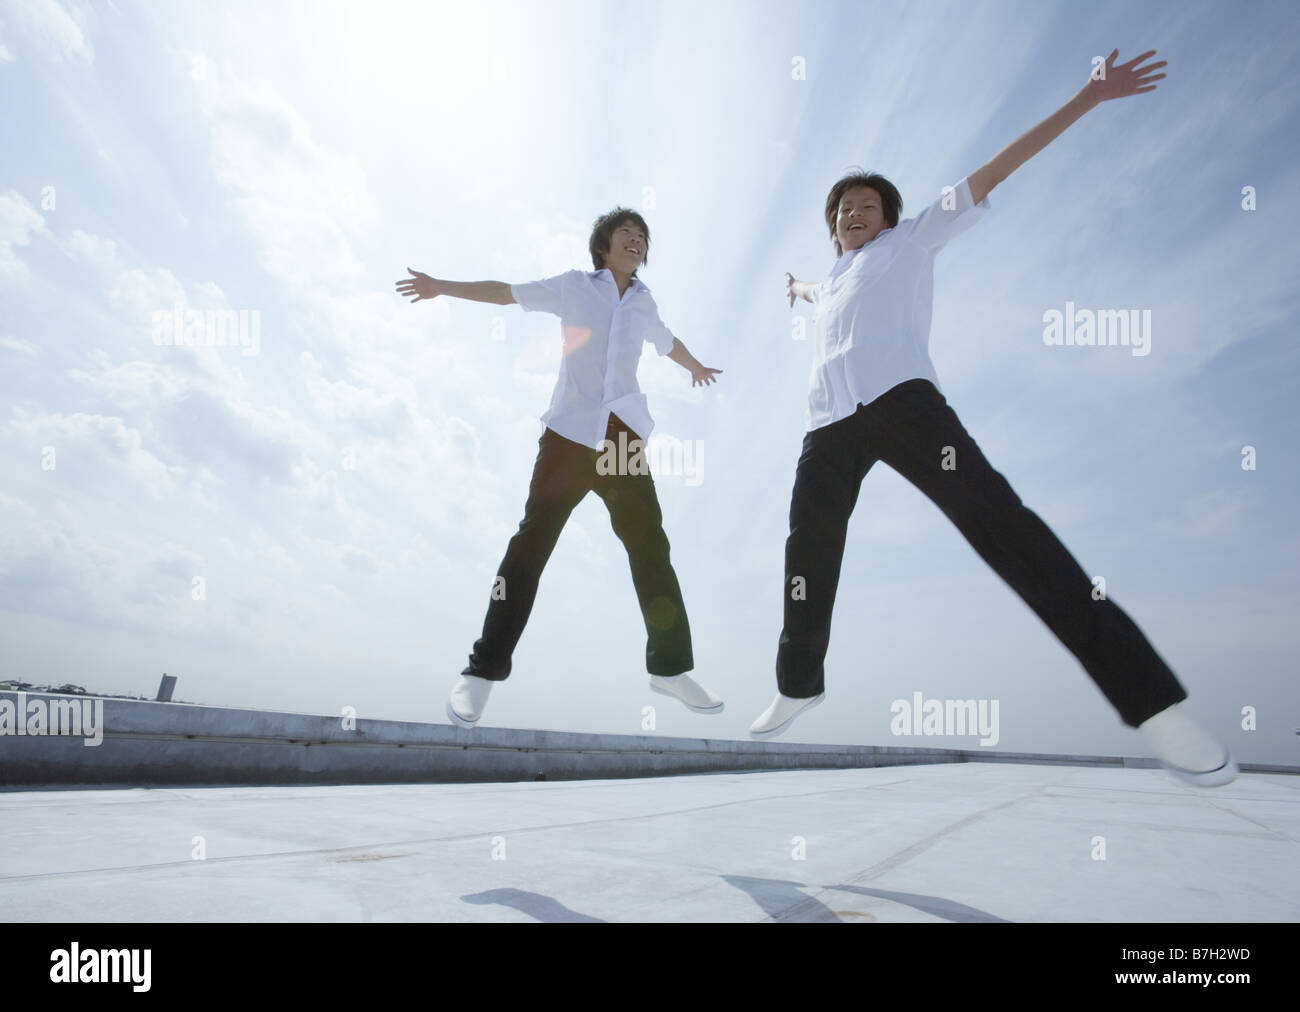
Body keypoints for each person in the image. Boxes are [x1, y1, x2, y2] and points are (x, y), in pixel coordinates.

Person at [748, 49, 1238, 787]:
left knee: (1005, 529)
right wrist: (799, 290)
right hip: (826, 428)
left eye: (867, 205)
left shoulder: (912, 242)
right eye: (842, 208)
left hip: (906, 406)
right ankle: (798, 682)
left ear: (889, 216)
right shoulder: (836, 278)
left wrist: (1086, 97)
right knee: (806, 554)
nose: (853, 212)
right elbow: (821, 292)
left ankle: (1155, 706)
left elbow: (997, 167)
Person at [397, 208, 724, 728]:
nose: (636, 241)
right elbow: (506, 292)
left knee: (651, 549)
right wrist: (441, 286)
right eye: (626, 234)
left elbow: (668, 342)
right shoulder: (575, 287)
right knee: (531, 545)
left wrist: (696, 366)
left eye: (643, 237)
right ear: (603, 245)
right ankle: (482, 671)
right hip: (569, 435)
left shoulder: (645, 303)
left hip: (622, 438)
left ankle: (671, 668)